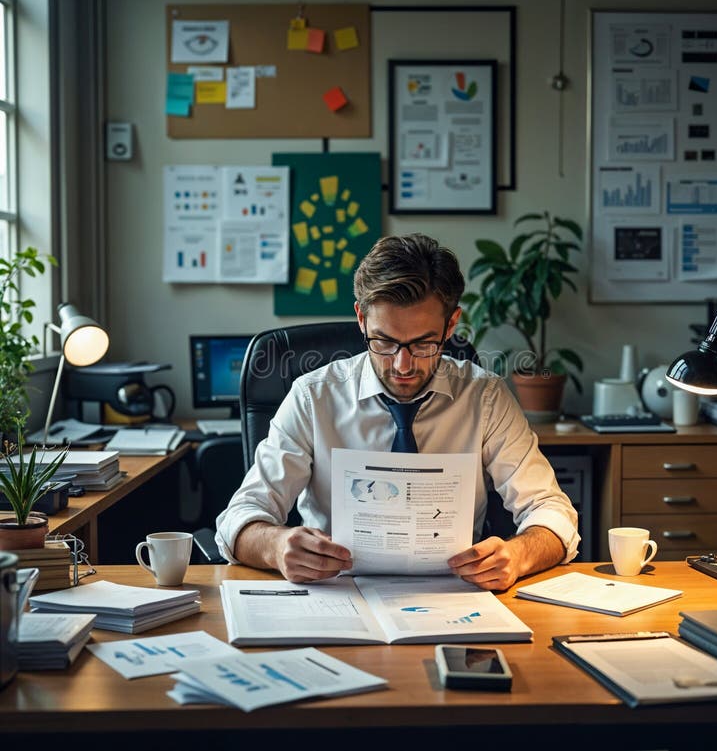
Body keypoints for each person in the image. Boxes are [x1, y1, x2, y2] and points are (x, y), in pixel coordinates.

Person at [215, 234, 579, 591]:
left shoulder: (485, 398)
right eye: (384, 342)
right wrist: (276, 547)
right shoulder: (313, 397)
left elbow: (553, 512)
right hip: (337, 592)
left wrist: (518, 555)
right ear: (361, 318)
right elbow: (238, 520)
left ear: (451, 325)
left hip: (456, 596)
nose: (402, 365)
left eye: (423, 343)